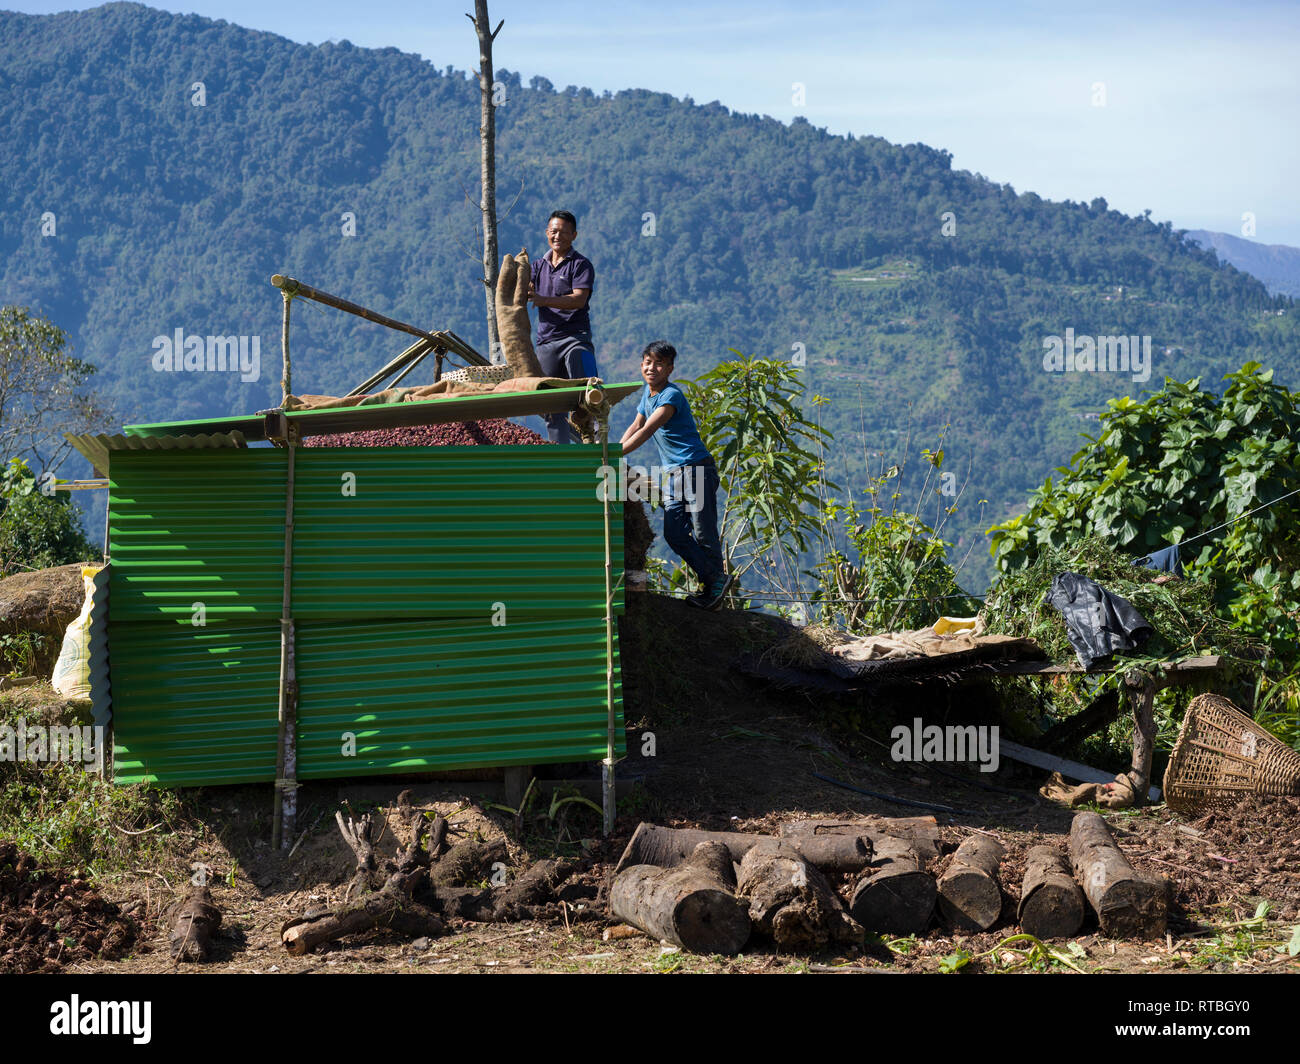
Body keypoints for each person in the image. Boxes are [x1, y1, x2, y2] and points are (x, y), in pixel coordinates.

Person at [620, 341, 735, 610]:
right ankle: (715, 580)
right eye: (648, 362)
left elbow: (647, 430)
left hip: (696, 469)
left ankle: (713, 590)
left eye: (659, 363)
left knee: (703, 532)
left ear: (670, 368)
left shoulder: (671, 396)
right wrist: (611, 450)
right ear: (641, 364)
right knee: (674, 533)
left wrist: (616, 454)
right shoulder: (647, 397)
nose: (652, 367)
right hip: (674, 475)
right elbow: (635, 425)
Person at [528, 209, 598, 444]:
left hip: (575, 337)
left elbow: (579, 300)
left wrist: (543, 300)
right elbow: (525, 289)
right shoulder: (538, 266)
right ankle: (562, 453)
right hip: (547, 341)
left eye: (564, 232)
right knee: (550, 405)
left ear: (574, 235)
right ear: (547, 233)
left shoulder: (580, 265)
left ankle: (590, 432)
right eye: (553, 231)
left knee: (584, 386)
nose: (558, 236)